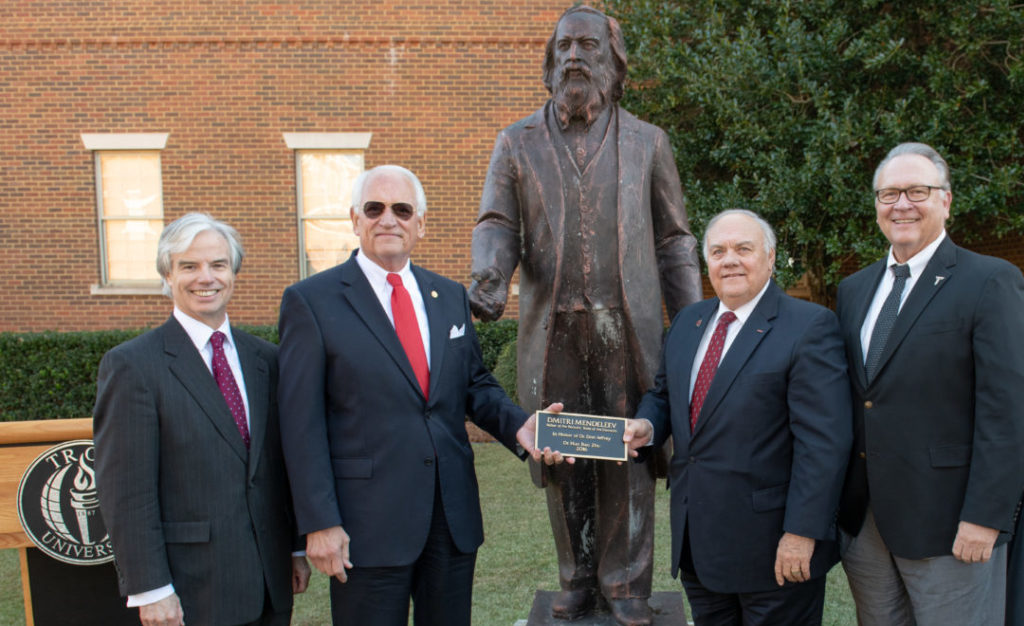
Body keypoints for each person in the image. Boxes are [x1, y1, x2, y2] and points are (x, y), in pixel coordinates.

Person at [468, 6, 702, 623]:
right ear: (549, 64)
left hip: (629, 331)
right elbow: (497, 223)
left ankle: (626, 585)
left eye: (589, 46)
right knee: (561, 456)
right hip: (554, 332)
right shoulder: (516, 143)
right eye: (564, 46)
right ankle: (574, 577)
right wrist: (490, 276)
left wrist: (695, 321)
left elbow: (674, 239)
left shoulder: (648, 142)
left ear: (613, 63)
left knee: (628, 454)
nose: (575, 56)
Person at [278, 165, 555, 625]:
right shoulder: (312, 302)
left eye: (401, 209)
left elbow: (474, 385)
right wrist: (319, 522)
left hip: (450, 520)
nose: (388, 219)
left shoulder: (448, 297)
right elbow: (299, 424)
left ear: (420, 224)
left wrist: (520, 425)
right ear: (355, 219)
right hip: (366, 526)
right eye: (375, 208)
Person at [835, 142, 1024, 625]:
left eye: (917, 191)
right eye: (889, 194)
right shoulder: (854, 290)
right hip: (866, 523)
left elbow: (1010, 411)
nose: (901, 204)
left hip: (949, 523)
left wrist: (986, 517)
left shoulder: (990, 281)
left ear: (946, 200)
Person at [623, 209, 853, 625]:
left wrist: (803, 534)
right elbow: (664, 394)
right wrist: (648, 425)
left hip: (774, 550)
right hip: (699, 545)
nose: (730, 259)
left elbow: (824, 443)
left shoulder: (809, 326)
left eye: (743, 249)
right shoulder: (688, 324)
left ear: (770, 257)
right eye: (718, 250)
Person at [93, 213, 310, 626]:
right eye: (189, 266)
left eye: (218, 265)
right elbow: (126, 491)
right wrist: (150, 588)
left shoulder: (266, 360)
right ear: (167, 275)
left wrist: (296, 548)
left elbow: (280, 465)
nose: (205, 278)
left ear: (233, 273)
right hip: (190, 588)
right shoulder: (133, 366)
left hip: (269, 581)